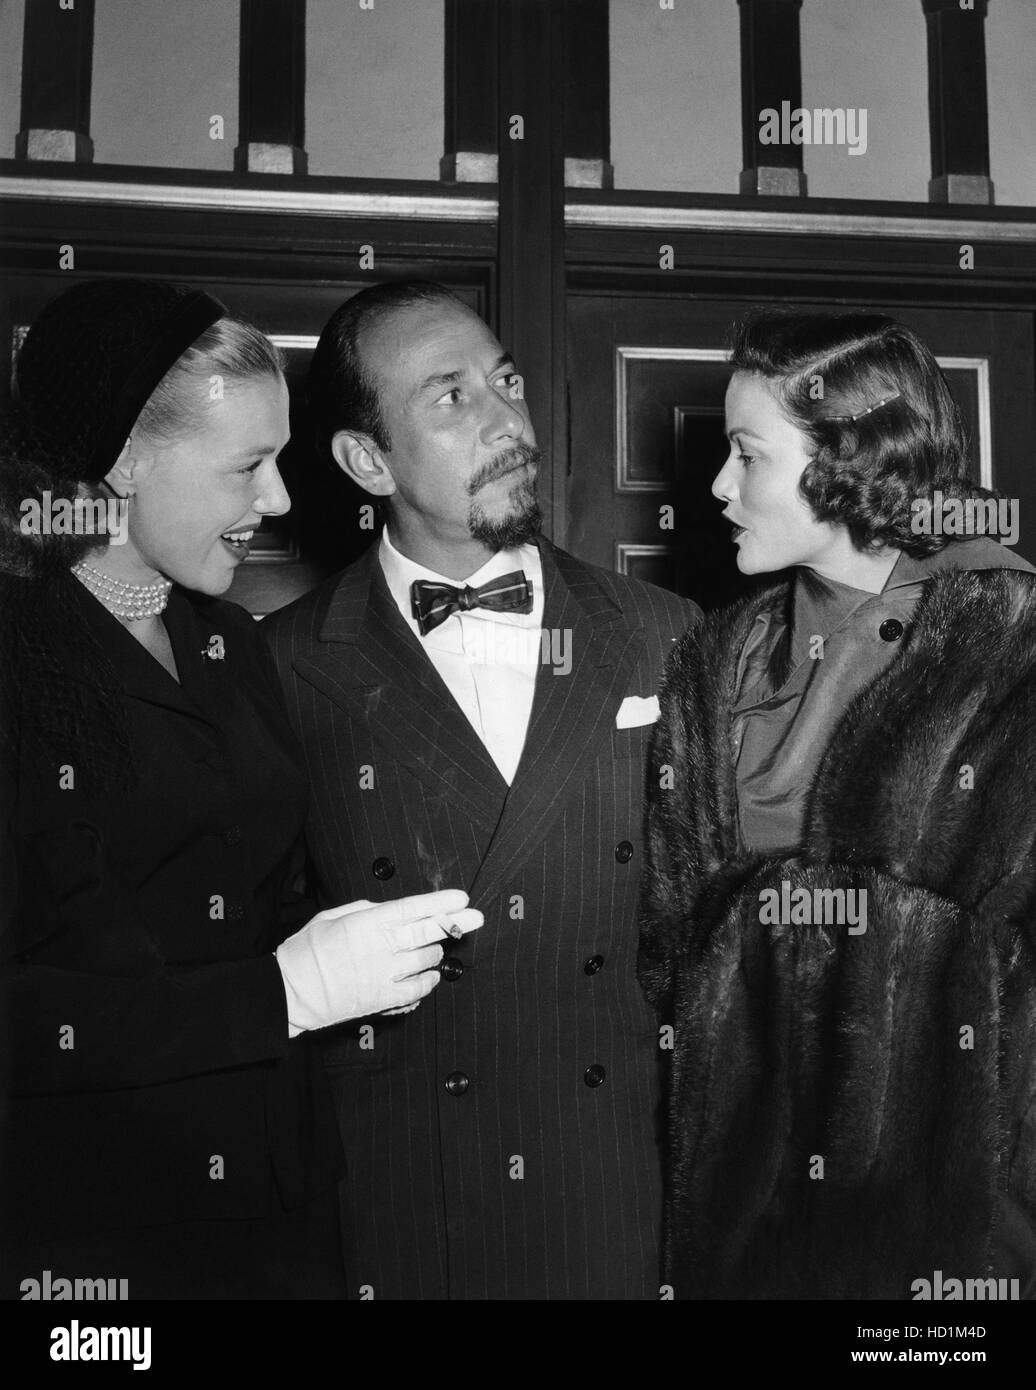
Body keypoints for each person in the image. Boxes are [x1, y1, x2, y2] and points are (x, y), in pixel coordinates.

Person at [0, 278, 480, 1300]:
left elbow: (249, 886)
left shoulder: (228, 642)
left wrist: (361, 935)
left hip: (278, 1209)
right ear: (119, 462)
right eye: (248, 466)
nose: (278, 501)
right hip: (89, 1236)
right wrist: (283, 992)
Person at [262, 280, 700, 1300]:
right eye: (450, 397)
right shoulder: (279, 666)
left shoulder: (665, 632)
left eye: (505, 380)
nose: (509, 421)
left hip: (619, 1201)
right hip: (402, 1212)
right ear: (367, 460)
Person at [638, 309, 1036, 1300]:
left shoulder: (1014, 656)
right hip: (749, 1226)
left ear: (848, 458)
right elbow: (669, 950)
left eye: (746, 453)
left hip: (962, 1230)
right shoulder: (713, 660)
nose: (720, 486)